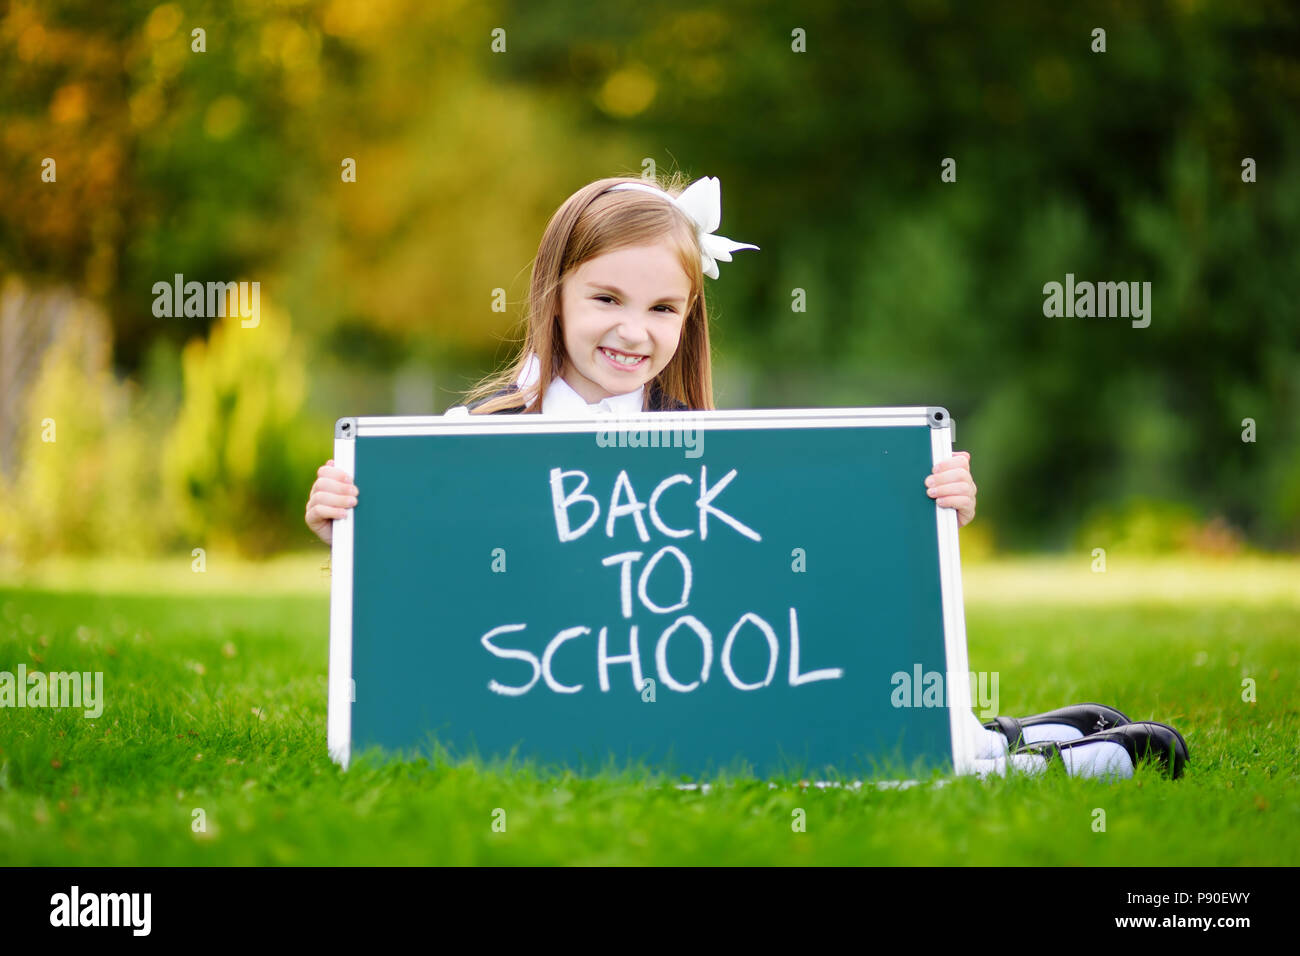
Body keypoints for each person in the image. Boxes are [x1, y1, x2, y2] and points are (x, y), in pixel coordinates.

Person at [304, 172, 1189, 781]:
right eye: (606, 299)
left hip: (697, 698)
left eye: (662, 309)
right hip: (567, 696)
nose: (633, 331)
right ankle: (1057, 758)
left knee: (822, 740)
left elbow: (800, 568)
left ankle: (1007, 742)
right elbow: (423, 595)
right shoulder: (477, 437)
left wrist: (923, 512)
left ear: (689, 319)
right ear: (554, 295)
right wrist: (349, 528)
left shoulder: (708, 452)